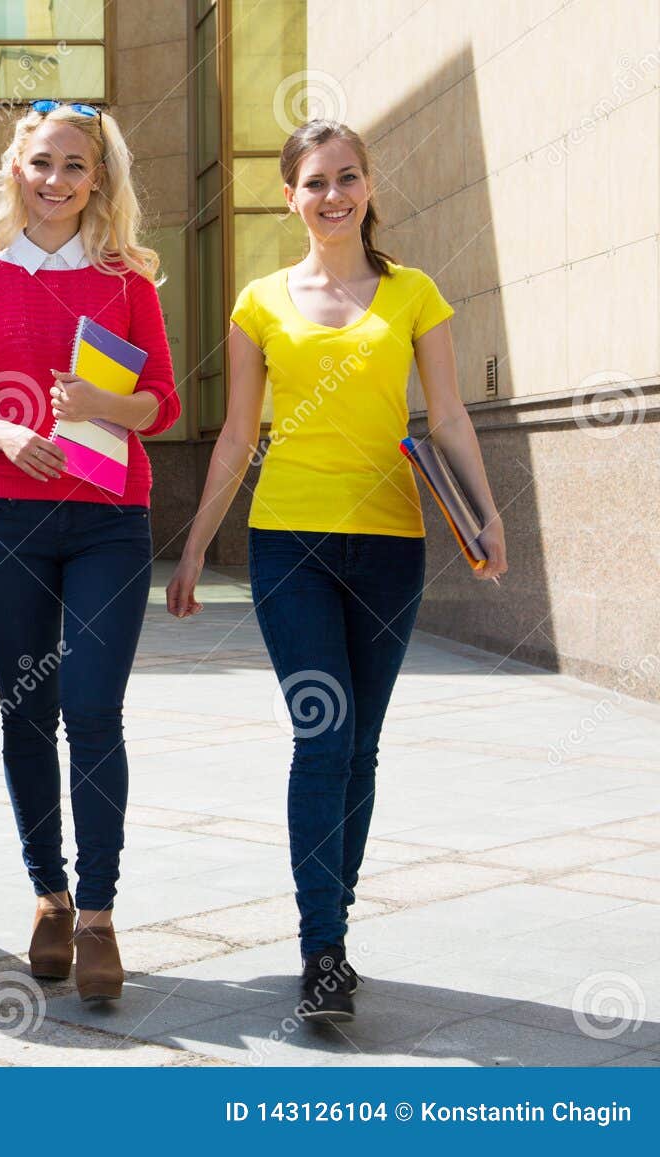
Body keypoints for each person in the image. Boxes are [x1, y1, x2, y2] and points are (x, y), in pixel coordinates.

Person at [166, 119, 508, 1023]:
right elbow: (237, 436)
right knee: (323, 733)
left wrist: (486, 510)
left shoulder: (414, 294)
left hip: (392, 545)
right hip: (290, 545)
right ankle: (322, 946)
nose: (333, 195)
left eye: (347, 177)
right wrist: (196, 545)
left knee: (361, 743)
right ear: (290, 197)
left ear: (368, 185)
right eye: (315, 182)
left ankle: (335, 926)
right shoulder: (258, 303)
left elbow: (448, 416)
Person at [0, 101, 180, 1002]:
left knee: (92, 707)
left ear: (97, 180)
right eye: (42, 162)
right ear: (16, 168)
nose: (56, 180)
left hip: (110, 520)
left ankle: (100, 913)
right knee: (25, 711)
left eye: (75, 166)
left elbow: (163, 402)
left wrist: (101, 405)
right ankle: (49, 894)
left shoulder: (128, 282)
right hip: (10, 523)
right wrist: (2, 433)